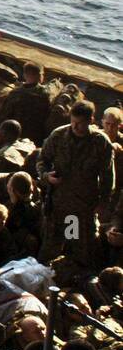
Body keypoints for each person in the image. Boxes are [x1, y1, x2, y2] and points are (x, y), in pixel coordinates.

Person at [38, 99, 115, 266]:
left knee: (75, 249)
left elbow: (108, 177)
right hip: (57, 204)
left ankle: (70, 282)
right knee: (50, 249)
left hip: (80, 207)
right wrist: (46, 176)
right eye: (72, 121)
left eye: (79, 123)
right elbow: (42, 160)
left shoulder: (100, 143)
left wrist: (103, 203)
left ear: (90, 121)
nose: (74, 127)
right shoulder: (58, 136)